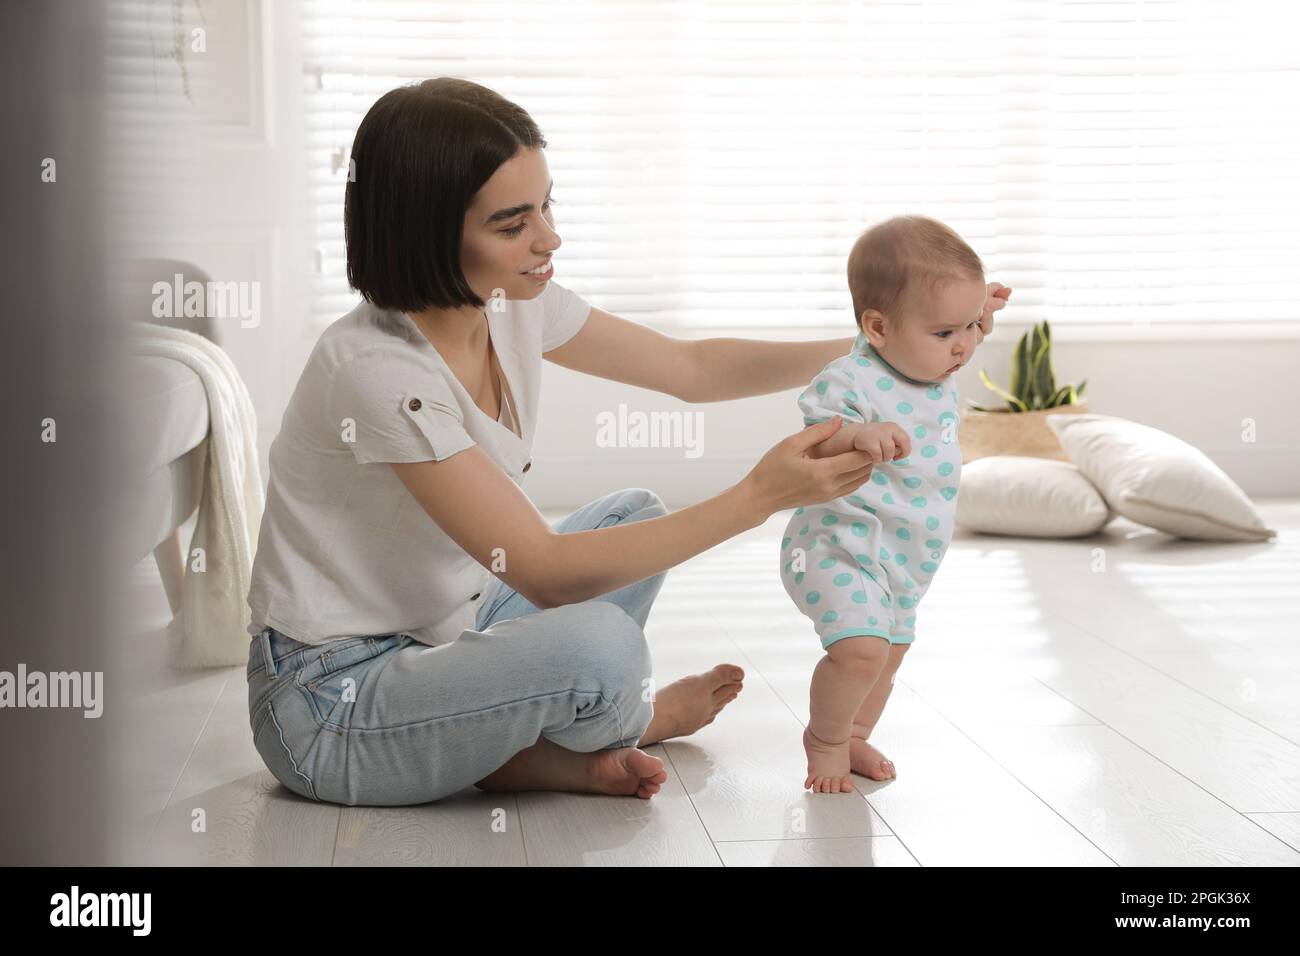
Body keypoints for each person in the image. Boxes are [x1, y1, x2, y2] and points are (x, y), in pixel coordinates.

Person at [245, 78, 1011, 806]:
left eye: (546, 206)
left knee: (630, 514)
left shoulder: (511, 304)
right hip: (330, 701)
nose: (550, 237)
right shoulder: (378, 372)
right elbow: (544, 574)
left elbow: (692, 368)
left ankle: (515, 744)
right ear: (425, 232)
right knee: (601, 646)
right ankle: (608, 727)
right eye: (513, 224)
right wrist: (759, 498)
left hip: (447, 629)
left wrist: (891, 345)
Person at [781, 215, 1010, 792]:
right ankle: (826, 739)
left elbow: (959, 326)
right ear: (878, 327)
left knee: (889, 655)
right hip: (839, 547)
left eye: (970, 328)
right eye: (945, 333)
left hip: (908, 559)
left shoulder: (932, 363)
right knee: (861, 651)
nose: (964, 345)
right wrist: (857, 435)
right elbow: (816, 439)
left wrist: (982, 311)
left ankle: (855, 733)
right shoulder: (851, 379)